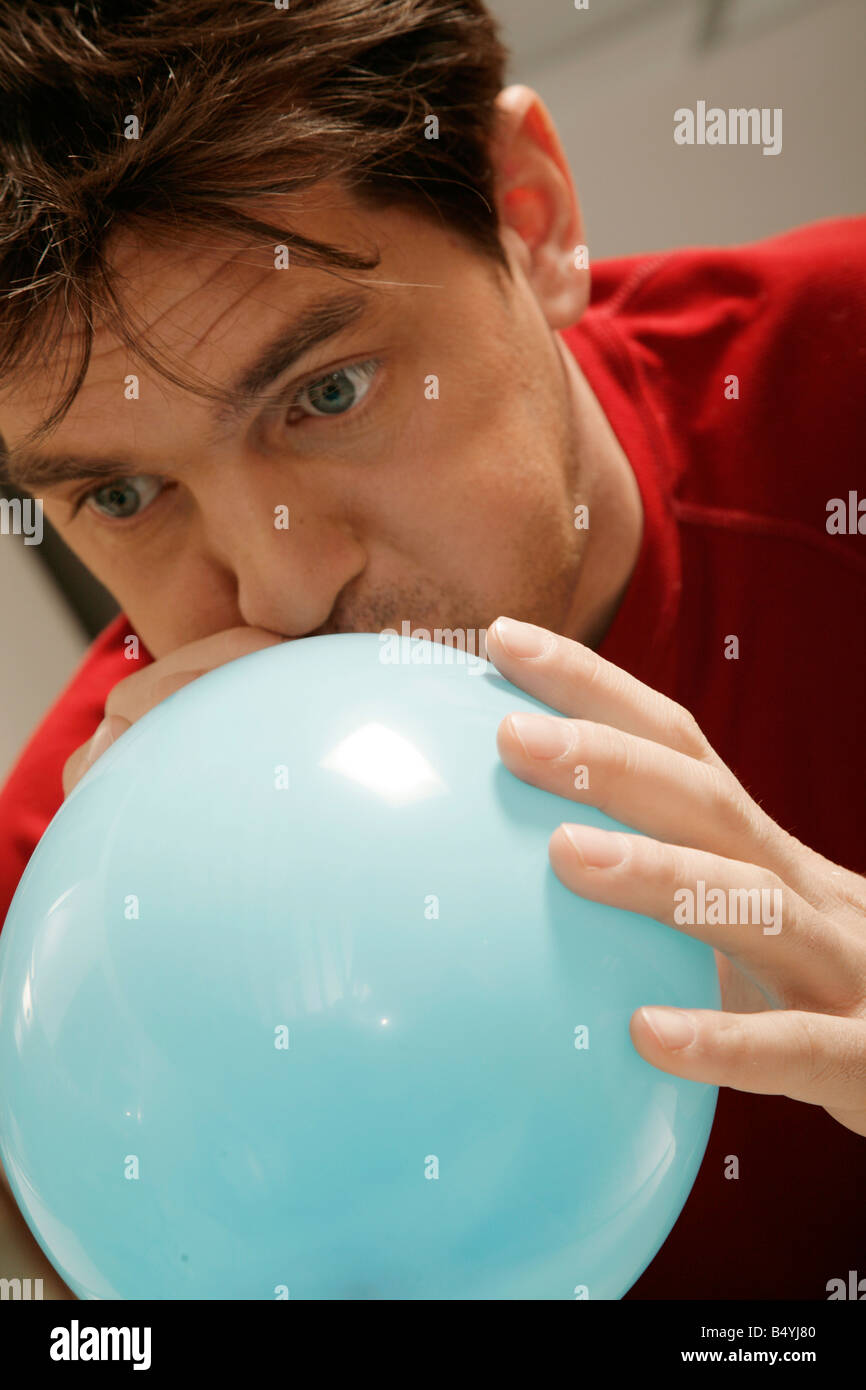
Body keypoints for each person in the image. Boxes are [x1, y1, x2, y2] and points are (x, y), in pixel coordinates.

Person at [0, 0, 864, 1301]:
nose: (283, 591)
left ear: (531, 217)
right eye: (120, 497)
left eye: (328, 393)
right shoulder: (54, 928)